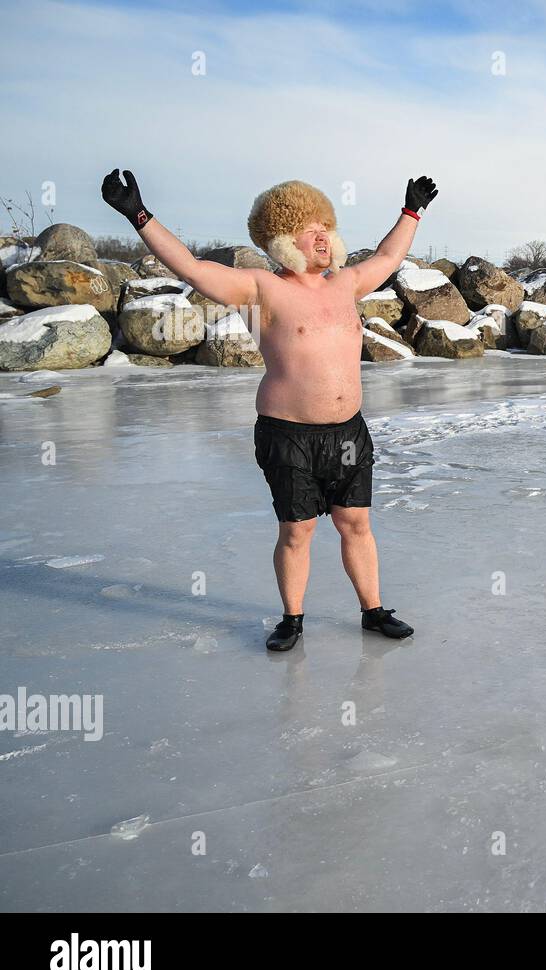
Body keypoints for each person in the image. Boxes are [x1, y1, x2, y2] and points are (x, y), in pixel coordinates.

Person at [101, 169, 439, 651]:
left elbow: (388, 256)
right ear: (283, 238)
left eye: (326, 226)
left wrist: (411, 211)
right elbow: (193, 270)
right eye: (310, 229)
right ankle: (292, 619)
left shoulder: (346, 284)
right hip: (289, 434)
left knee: (356, 523)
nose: (323, 235)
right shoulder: (261, 289)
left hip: (347, 434)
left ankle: (373, 611)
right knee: (297, 530)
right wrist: (138, 213)